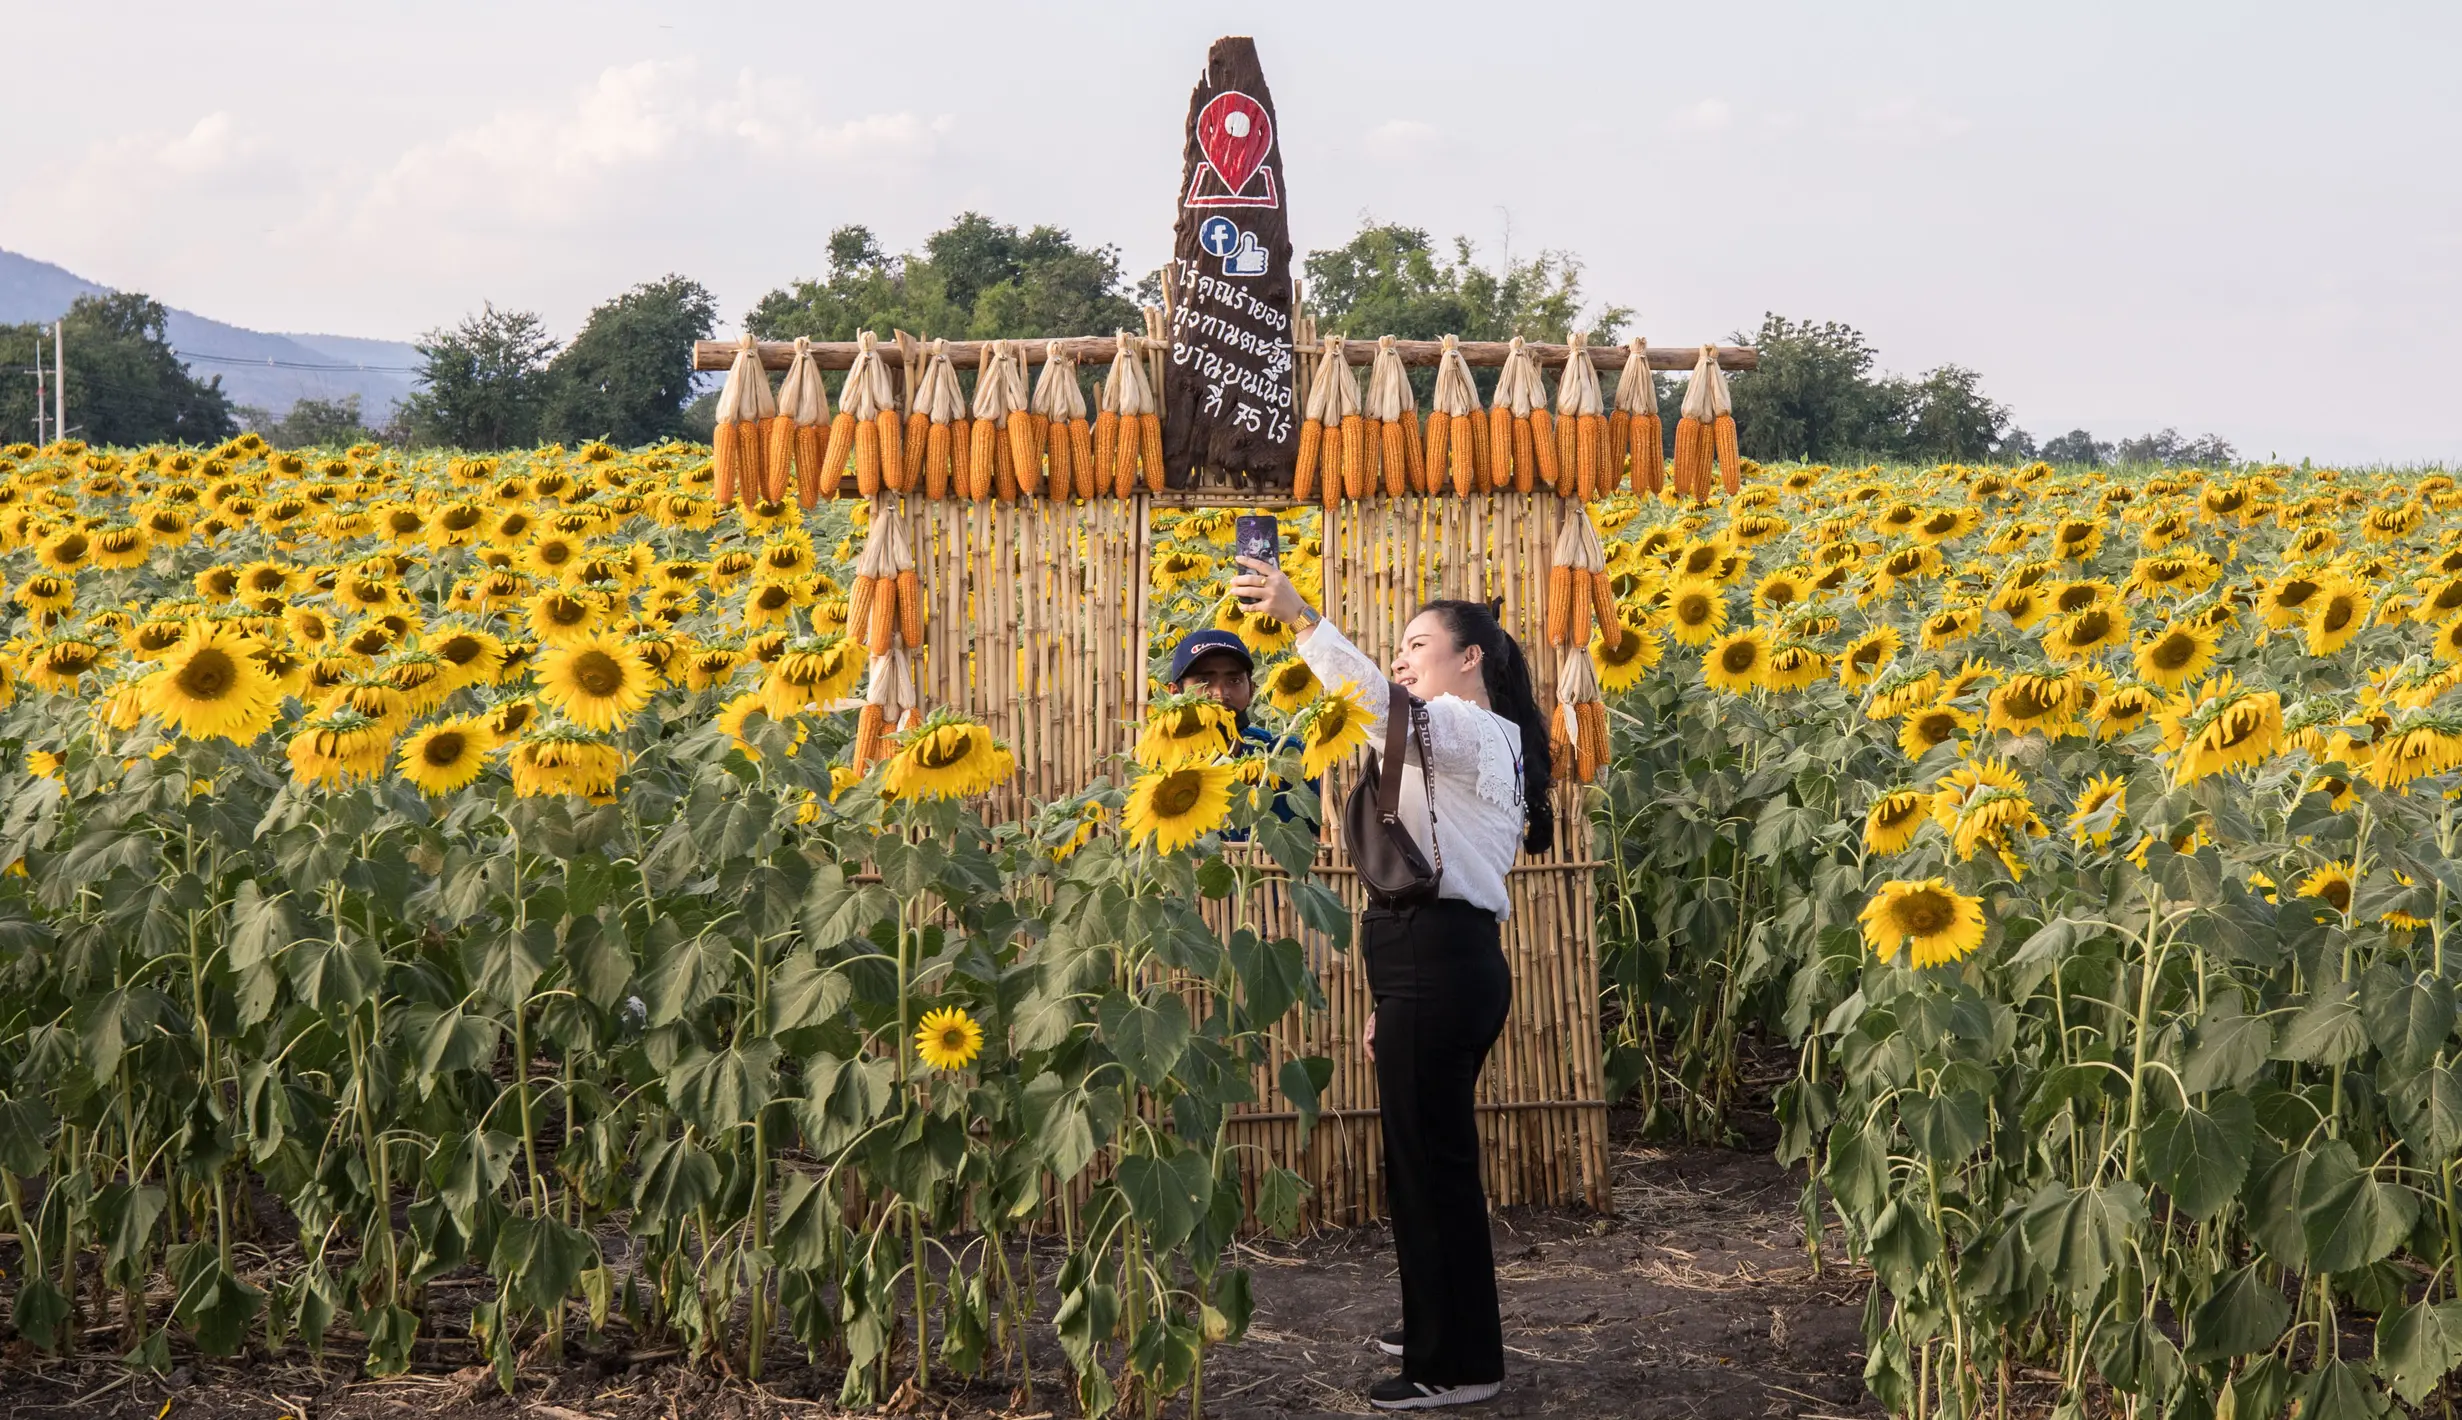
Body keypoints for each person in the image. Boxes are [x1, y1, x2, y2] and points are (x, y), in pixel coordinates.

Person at [1232, 556, 1554, 1412]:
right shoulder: (1468, 739)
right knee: (1425, 1158)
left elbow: (1381, 707)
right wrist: (1389, 1001)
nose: (1403, 658)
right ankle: (1433, 1329)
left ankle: (1455, 1364)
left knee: (1431, 1163)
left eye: (1419, 644)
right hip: (1436, 965)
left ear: (1472, 658)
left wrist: (1303, 619)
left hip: (1438, 961)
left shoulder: (1468, 729)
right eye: (1398, 647)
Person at [1164, 628, 1315, 827]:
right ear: (1175, 692)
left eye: (1234, 680)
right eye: (1204, 681)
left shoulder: (1282, 755)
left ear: (1251, 690)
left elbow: (1321, 836)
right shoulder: (1160, 762)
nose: (1220, 693)